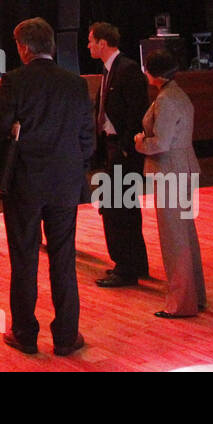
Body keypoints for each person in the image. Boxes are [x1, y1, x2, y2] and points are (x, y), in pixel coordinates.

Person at [0, 18, 93, 355]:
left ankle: (25, 334)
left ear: (25, 48)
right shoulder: (76, 83)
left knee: (24, 258)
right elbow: (87, 138)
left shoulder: (14, 81)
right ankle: (66, 336)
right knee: (63, 258)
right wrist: (76, 167)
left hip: (24, 184)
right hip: (64, 184)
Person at [133, 49, 207, 318]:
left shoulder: (165, 100)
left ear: (151, 72)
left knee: (174, 238)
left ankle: (181, 303)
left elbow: (160, 143)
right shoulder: (179, 94)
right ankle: (195, 295)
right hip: (184, 167)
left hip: (169, 171)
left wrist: (140, 143)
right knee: (186, 233)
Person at [87, 21, 150, 287]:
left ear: (103, 43)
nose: (88, 45)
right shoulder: (110, 70)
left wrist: (124, 147)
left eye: (91, 41)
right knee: (120, 207)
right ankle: (134, 264)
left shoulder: (127, 69)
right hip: (112, 149)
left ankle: (126, 268)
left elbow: (137, 112)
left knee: (119, 210)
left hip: (122, 151)